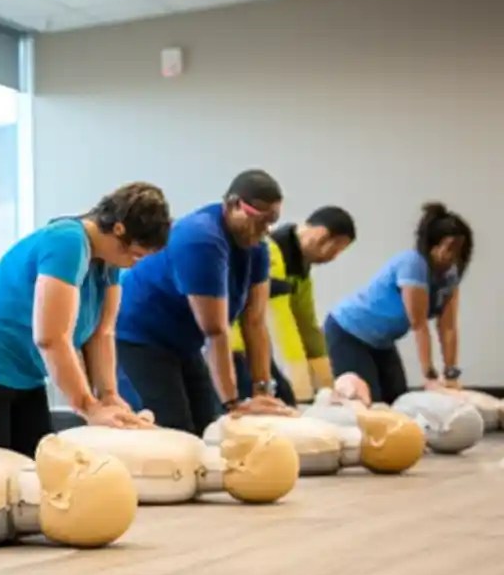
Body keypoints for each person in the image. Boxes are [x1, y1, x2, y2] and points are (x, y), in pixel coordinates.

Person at [0, 182, 170, 455]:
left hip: (23, 373)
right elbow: (51, 338)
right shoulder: (67, 241)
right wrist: (88, 407)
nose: (136, 263)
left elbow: (102, 333)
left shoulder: (110, 261)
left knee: (37, 465)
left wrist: (109, 396)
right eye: (136, 254)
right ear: (118, 230)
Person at [114, 170, 295, 436]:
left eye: (272, 222)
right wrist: (233, 405)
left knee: (205, 428)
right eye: (259, 220)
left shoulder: (257, 247)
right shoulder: (201, 239)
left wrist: (261, 391)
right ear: (233, 205)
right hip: (139, 335)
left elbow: (254, 321)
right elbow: (216, 330)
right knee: (173, 431)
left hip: (185, 342)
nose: (264, 231)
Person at [324, 202, 471, 404]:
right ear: (432, 245)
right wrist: (430, 375)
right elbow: (419, 324)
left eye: (460, 250)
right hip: (349, 331)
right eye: (449, 248)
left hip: (381, 342)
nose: (454, 256)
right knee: (368, 401)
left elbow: (448, 327)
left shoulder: (450, 275)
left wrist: (451, 373)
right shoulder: (413, 264)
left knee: (398, 401)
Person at [230, 206, 356, 406]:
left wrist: (325, 380)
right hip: (238, 348)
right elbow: (279, 322)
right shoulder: (270, 252)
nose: (334, 257)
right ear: (322, 236)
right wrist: (301, 383)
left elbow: (306, 322)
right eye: (337, 248)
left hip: (261, 351)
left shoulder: (301, 270)